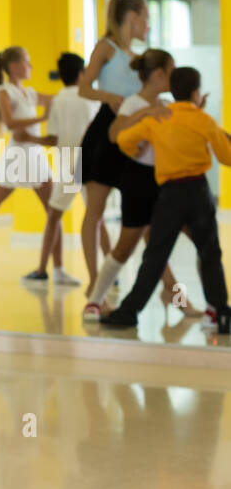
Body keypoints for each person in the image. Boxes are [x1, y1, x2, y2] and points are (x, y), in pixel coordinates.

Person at [102, 66, 231, 333]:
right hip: (198, 193)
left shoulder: (160, 117)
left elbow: (124, 140)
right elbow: (225, 157)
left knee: (156, 256)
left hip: (169, 195)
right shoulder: (203, 119)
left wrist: (137, 152)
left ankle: (128, 312)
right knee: (209, 253)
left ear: (172, 91)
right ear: (196, 92)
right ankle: (221, 313)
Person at [84, 49, 202, 321]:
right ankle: (94, 301)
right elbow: (115, 134)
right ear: (160, 74)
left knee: (179, 242)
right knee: (125, 249)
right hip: (138, 182)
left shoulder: (165, 103)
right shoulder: (133, 103)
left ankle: (178, 296)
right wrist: (149, 112)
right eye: (172, 70)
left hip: (165, 180)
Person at [0, 46, 77, 286]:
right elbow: (10, 122)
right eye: (27, 62)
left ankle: (59, 268)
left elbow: (59, 99)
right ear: (13, 66)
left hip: (35, 156)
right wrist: (42, 118)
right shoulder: (3, 91)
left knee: (54, 211)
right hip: (17, 156)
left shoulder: (29, 93)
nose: (31, 67)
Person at [76, 0, 150, 294]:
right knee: (94, 212)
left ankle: (169, 287)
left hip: (132, 135)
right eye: (146, 17)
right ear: (132, 17)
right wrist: (108, 97)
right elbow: (83, 87)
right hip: (103, 135)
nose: (148, 25)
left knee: (143, 215)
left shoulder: (138, 56)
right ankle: (95, 282)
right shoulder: (106, 47)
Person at [30, 52, 98, 281]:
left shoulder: (59, 99)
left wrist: (32, 140)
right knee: (96, 217)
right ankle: (110, 273)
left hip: (70, 166)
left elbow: (53, 138)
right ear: (81, 73)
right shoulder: (92, 98)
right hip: (91, 164)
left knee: (53, 216)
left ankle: (41, 270)